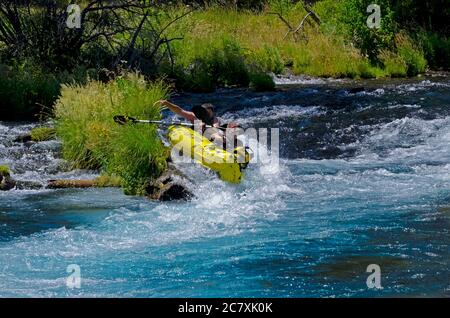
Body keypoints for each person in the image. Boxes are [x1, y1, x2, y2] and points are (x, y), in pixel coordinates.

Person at [154, 100, 238, 146]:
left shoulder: (215, 119)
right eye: (204, 112)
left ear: (212, 112)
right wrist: (166, 103)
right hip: (196, 136)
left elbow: (215, 128)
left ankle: (226, 141)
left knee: (215, 133)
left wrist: (207, 127)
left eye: (208, 113)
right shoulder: (194, 116)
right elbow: (179, 111)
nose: (206, 115)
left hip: (210, 135)